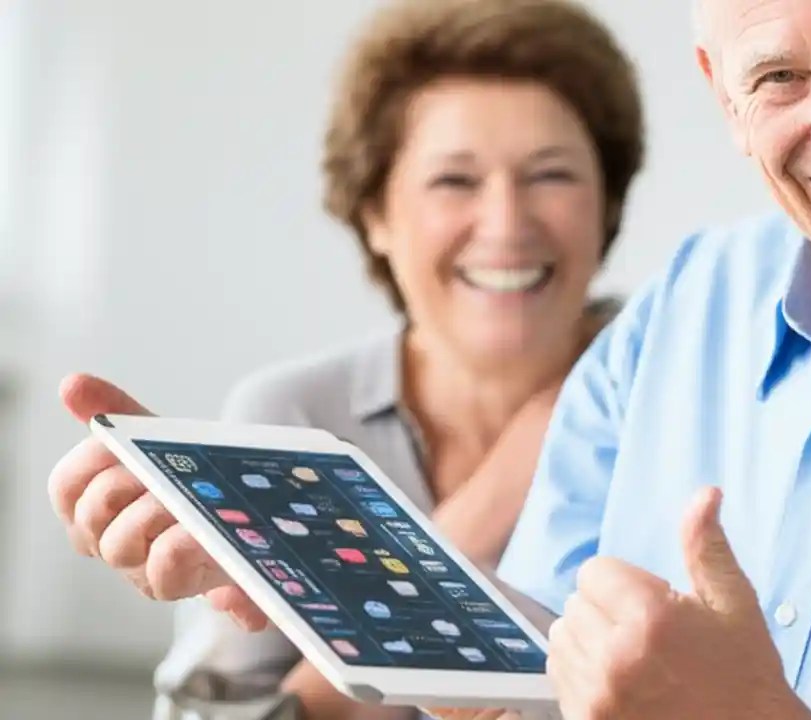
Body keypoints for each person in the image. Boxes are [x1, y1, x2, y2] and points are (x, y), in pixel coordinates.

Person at [50, 0, 811, 718]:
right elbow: (527, 686)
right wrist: (306, 566)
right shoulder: (686, 303)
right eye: (779, 77)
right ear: (720, 93)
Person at [47, 0, 642, 718]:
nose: (507, 223)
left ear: (608, 205)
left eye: (551, 175)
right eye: (455, 181)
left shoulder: (684, 395)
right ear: (375, 215)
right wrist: (473, 520)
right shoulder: (292, 418)